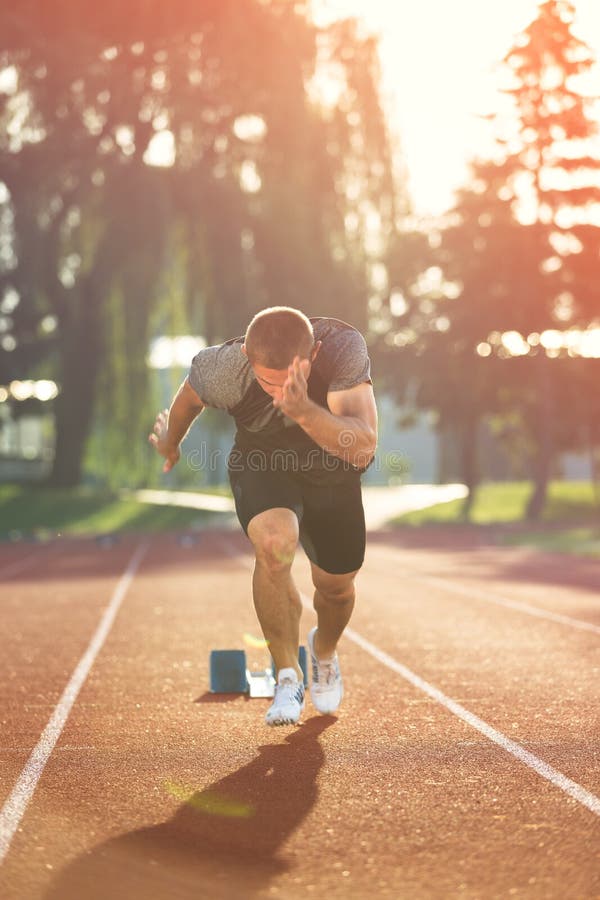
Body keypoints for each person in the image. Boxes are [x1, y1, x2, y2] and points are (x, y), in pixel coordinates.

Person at [149, 307, 377, 726]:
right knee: (275, 545)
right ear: (247, 359)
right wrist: (171, 442)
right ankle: (288, 675)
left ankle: (324, 653)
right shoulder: (224, 369)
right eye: (267, 381)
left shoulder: (342, 350)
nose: (276, 393)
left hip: (332, 468)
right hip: (262, 462)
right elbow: (188, 399)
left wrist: (303, 410)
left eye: (289, 379)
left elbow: (362, 447)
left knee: (336, 588)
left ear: (314, 354)